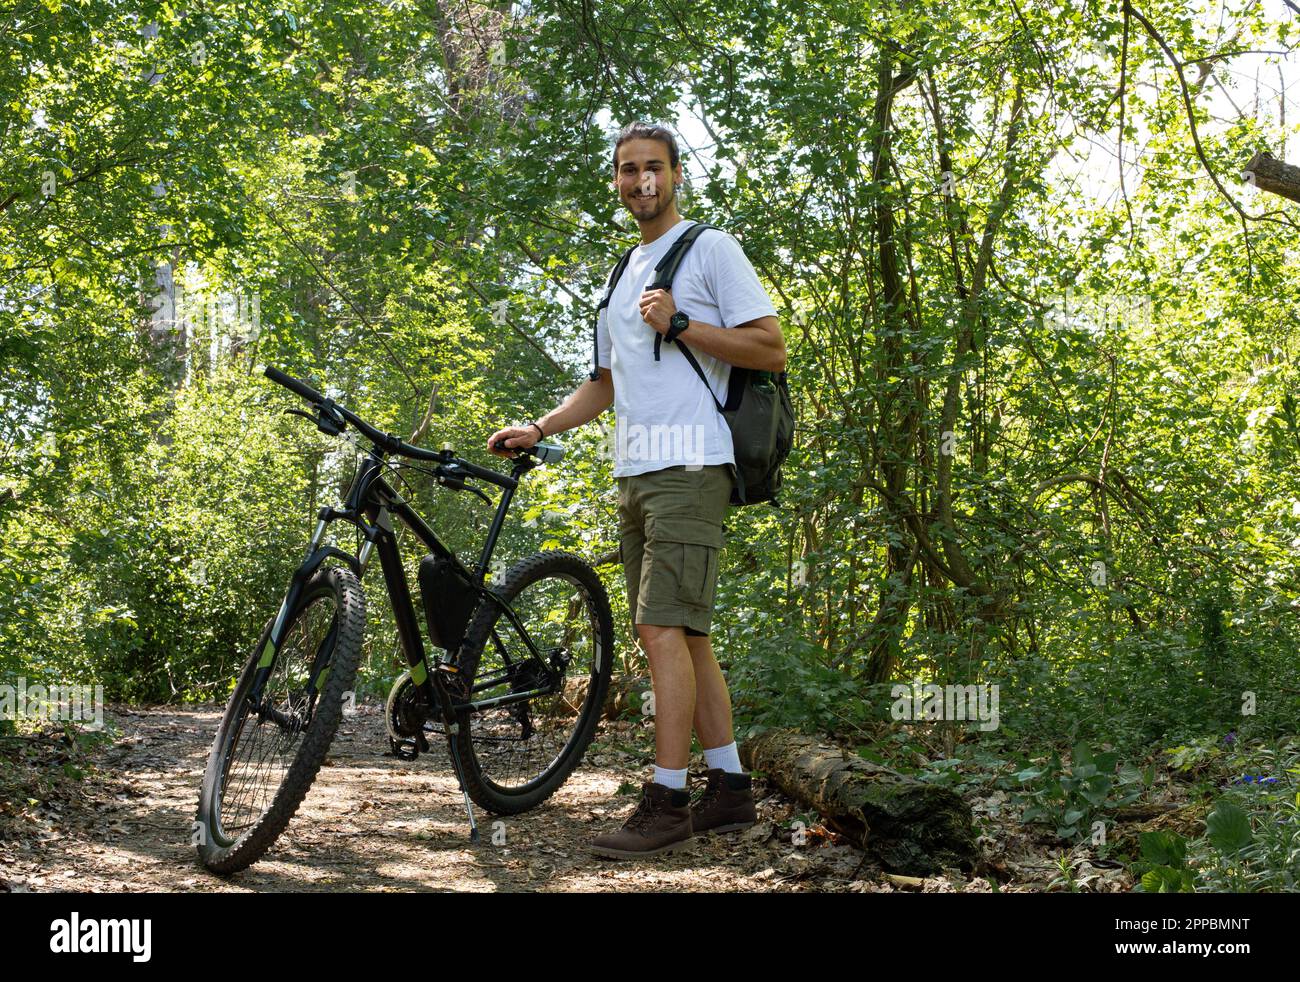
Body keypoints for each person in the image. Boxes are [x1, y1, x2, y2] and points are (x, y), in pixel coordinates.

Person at [486, 121, 786, 859]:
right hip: (636, 469)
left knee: (658, 631)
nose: (640, 181)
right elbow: (608, 382)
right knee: (686, 633)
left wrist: (682, 322)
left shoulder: (710, 249)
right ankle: (731, 789)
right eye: (627, 170)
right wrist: (541, 426)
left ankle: (666, 799)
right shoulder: (626, 267)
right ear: (616, 180)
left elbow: (771, 347)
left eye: (653, 168)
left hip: (692, 465)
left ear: (676, 175)